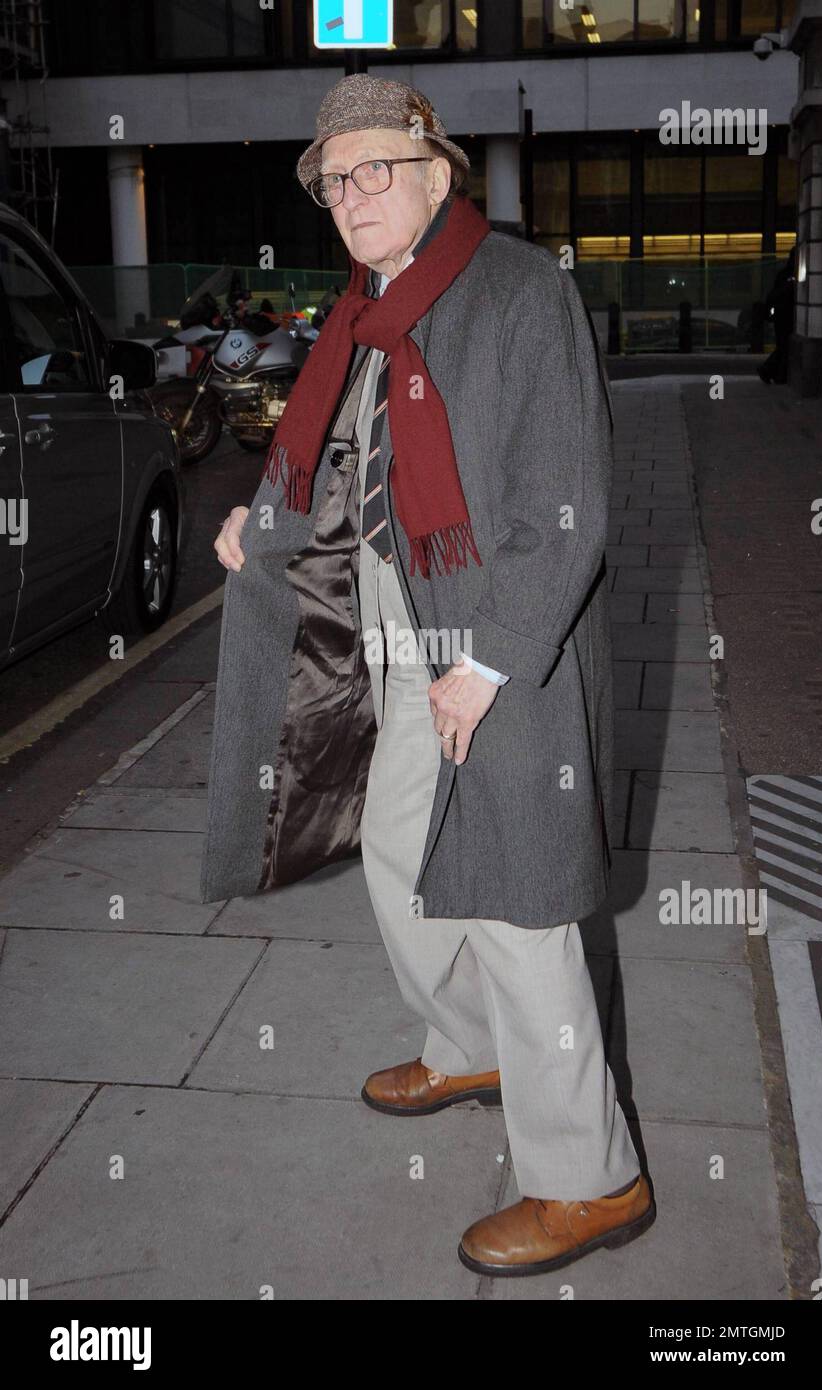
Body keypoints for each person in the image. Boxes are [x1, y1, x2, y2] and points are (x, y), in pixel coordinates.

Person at [207, 73, 654, 1278]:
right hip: (396, 636)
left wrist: (491, 663)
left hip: (505, 647)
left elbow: (570, 511)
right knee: (400, 850)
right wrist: (262, 522)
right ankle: (467, 1046)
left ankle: (589, 1175)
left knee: (519, 904)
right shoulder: (367, 308)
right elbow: (335, 463)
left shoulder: (517, 290)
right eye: (334, 179)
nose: (352, 195)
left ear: (434, 174)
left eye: (374, 170)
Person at [758, 246, 796, 385]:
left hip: (780, 316)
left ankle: (771, 371)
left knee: (782, 346)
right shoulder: (791, 276)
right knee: (784, 347)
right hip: (786, 316)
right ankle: (771, 372)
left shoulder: (783, 274)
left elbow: (773, 294)